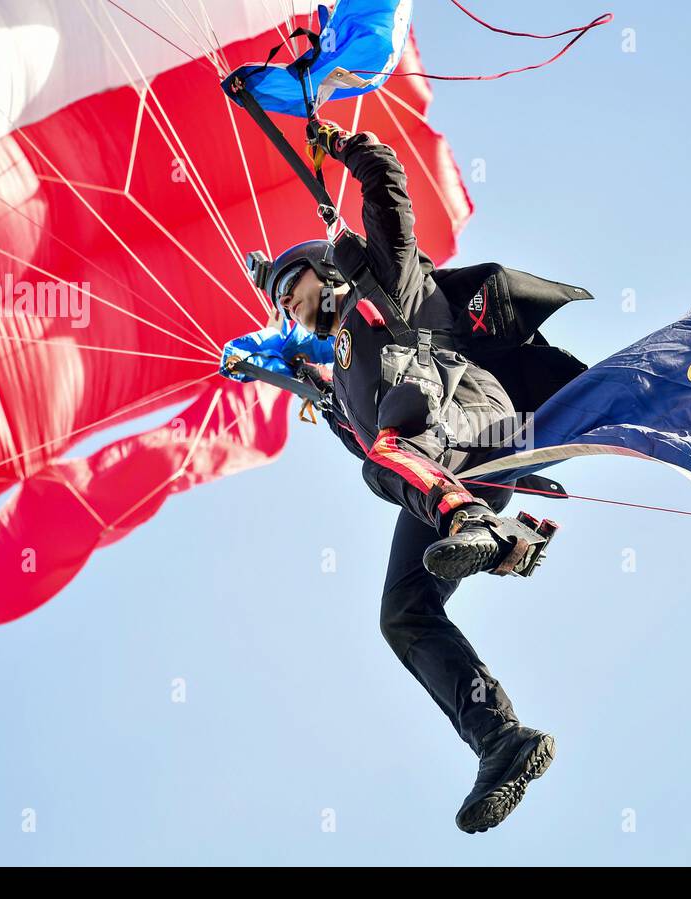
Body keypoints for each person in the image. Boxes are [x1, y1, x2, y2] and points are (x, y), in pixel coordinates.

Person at [220, 120, 590, 833]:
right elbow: (348, 416)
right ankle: (500, 739)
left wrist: (344, 146)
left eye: (289, 286)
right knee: (401, 612)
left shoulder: (389, 282)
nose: (285, 304)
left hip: (474, 415)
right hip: (438, 472)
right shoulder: (342, 388)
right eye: (277, 302)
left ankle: (477, 525)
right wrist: (287, 376)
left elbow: (388, 187)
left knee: (382, 453)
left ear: (322, 271)